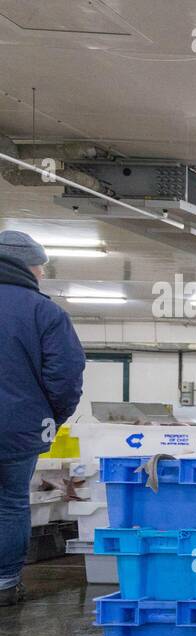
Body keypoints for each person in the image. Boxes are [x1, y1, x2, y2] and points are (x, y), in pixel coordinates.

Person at [0, 231, 85, 606]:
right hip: (17, 428)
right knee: (10, 502)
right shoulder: (44, 311)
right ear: (26, 266)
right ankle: (4, 583)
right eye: (41, 266)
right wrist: (51, 416)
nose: (43, 274)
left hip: (19, 424)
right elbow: (65, 376)